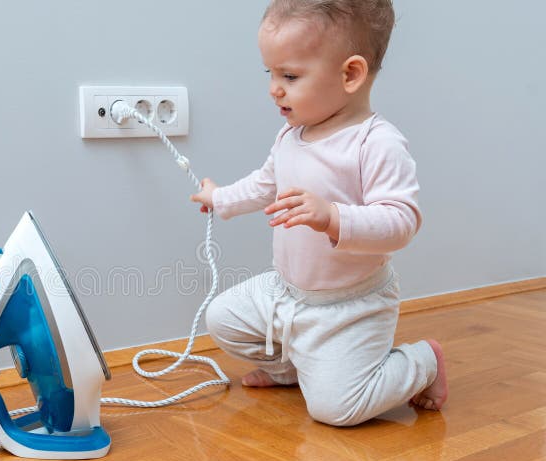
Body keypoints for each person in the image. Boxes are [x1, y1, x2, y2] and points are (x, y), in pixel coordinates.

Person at [190, 0, 447, 426]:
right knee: (221, 319)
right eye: (270, 74)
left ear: (350, 74)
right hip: (285, 294)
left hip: (350, 305)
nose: (274, 87)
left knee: (335, 410)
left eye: (289, 76)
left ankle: (423, 363)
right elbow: (265, 183)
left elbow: (401, 222)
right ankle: (291, 369)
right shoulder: (292, 134)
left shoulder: (376, 143)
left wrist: (332, 217)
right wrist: (220, 199)